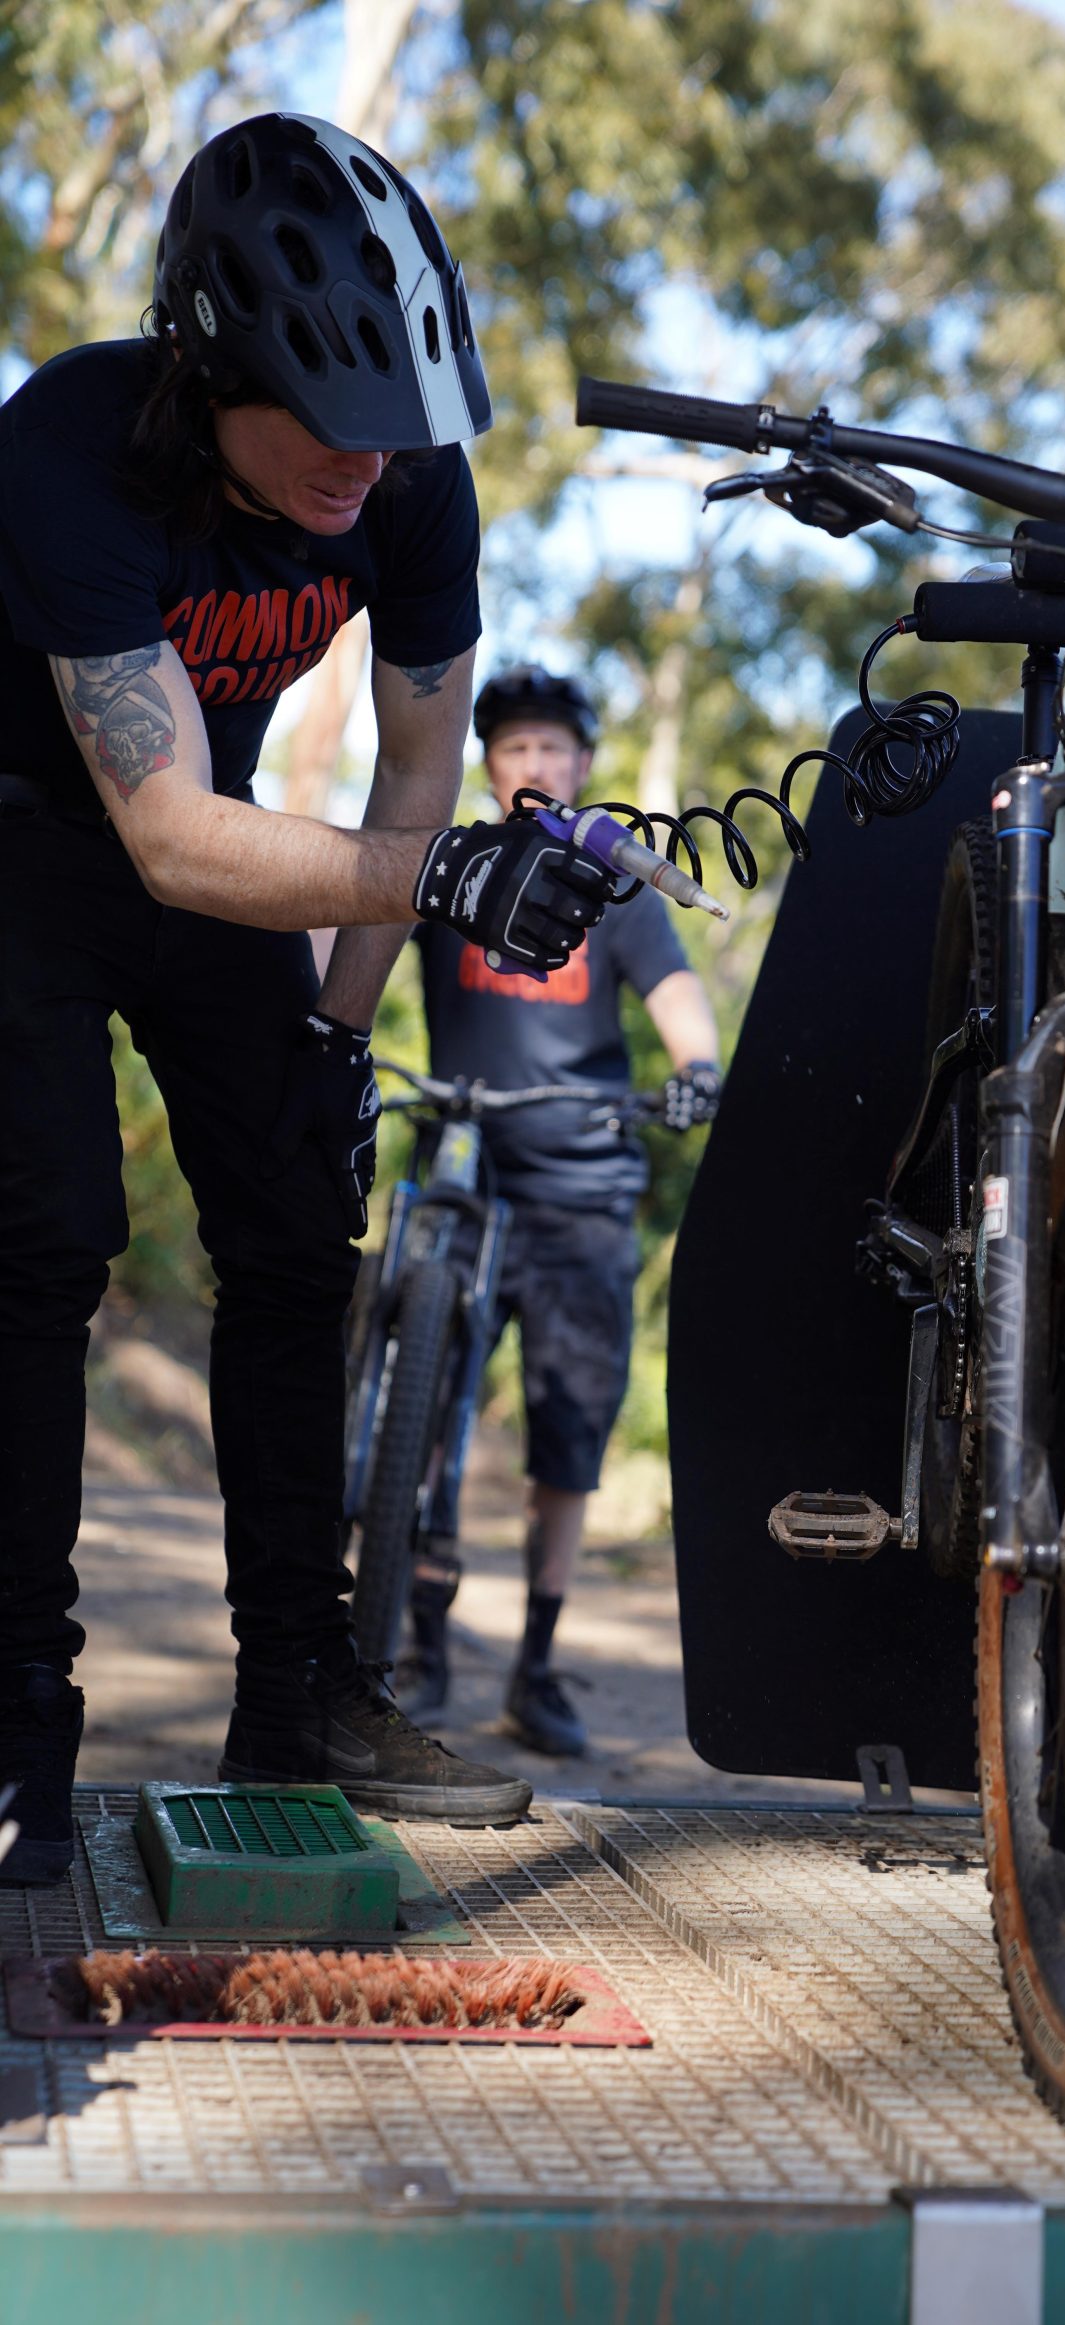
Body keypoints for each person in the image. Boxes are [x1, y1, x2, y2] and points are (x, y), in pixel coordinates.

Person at [0, 113, 619, 1884]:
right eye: (326, 422)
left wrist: (332, 1043)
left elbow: (418, 777)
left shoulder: (408, 473)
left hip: (226, 863)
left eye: (398, 426)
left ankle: (299, 1690)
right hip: (35, 847)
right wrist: (421, 892)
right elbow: (173, 833)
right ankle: (18, 1714)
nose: (372, 463)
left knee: (293, 1228)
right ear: (209, 376)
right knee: (43, 1236)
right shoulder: (67, 446)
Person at [403, 665, 721, 1755]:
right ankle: (416, 1645)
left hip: (585, 1180)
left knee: (569, 1435)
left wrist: (698, 1065)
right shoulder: (451, 866)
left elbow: (678, 997)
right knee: (423, 1401)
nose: (533, 766)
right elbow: (345, 940)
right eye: (514, 750)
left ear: (583, 764)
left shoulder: (619, 889)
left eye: (552, 749)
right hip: (458, 1163)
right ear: (489, 768)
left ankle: (535, 1668)